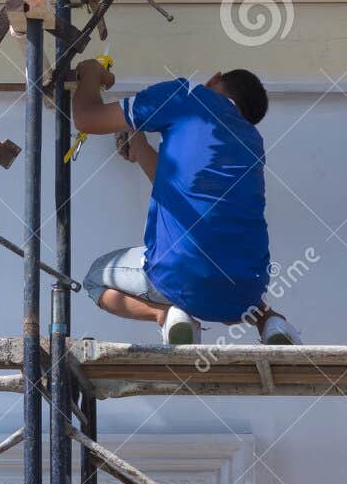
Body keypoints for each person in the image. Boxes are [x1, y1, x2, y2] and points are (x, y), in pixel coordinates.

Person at [70, 60, 301, 346]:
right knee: (229, 289)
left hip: (181, 278)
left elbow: (87, 118)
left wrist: (91, 73)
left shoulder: (185, 96)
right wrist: (139, 144)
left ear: (214, 79)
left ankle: (168, 316)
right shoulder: (252, 141)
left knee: (95, 277)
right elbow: (174, 185)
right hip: (246, 292)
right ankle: (272, 322)